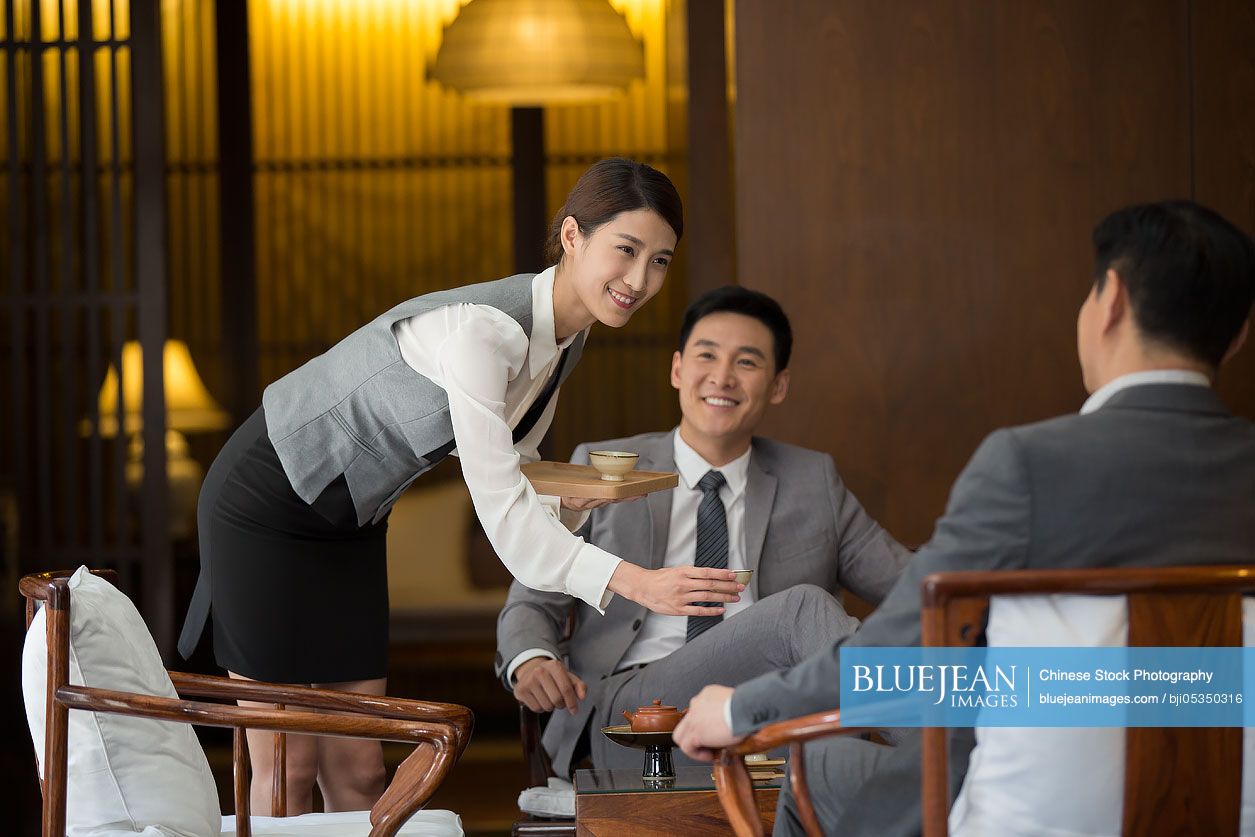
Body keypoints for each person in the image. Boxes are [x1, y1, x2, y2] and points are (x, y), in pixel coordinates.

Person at [176, 158, 745, 815]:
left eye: (659, 261)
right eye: (626, 250)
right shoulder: (484, 333)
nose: (639, 279)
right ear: (571, 236)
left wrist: (570, 495)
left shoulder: (566, 339)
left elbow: (517, 462)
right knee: (287, 763)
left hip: (351, 525)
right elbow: (500, 509)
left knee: (360, 767)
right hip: (265, 503)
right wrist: (636, 581)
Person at [673, 200, 1255, 835]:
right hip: (1233, 809)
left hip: (1041, 816)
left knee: (822, 762)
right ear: (1238, 334)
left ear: (1110, 299)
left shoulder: (1030, 463)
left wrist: (740, 708)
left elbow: (909, 637)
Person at [497, 285, 912, 776]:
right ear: (677, 369)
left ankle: (927, 763)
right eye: (707, 355)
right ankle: (950, 751)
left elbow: (914, 587)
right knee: (804, 611)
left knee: (842, 746)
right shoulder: (603, 467)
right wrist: (532, 660)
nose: (722, 376)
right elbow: (532, 597)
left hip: (774, 713)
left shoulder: (812, 480)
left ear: (778, 385)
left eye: (747, 362)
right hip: (639, 715)